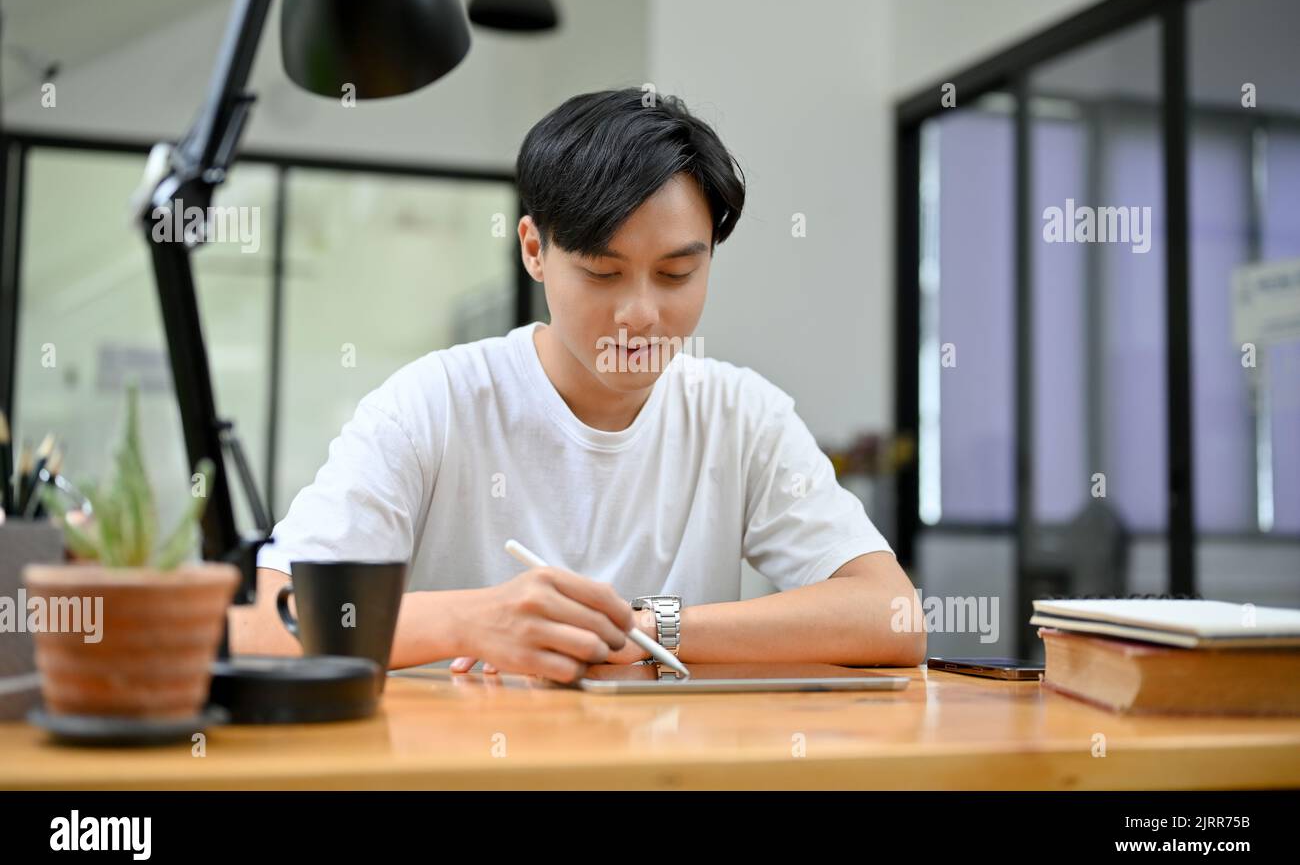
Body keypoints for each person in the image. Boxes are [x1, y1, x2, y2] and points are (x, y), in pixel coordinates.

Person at [230, 88, 926, 683]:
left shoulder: (741, 415)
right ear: (534, 249)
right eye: (602, 272)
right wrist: (475, 622)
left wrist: (648, 629)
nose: (642, 313)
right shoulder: (434, 405)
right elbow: (265, 621)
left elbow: (892, 617)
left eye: (678, 273)